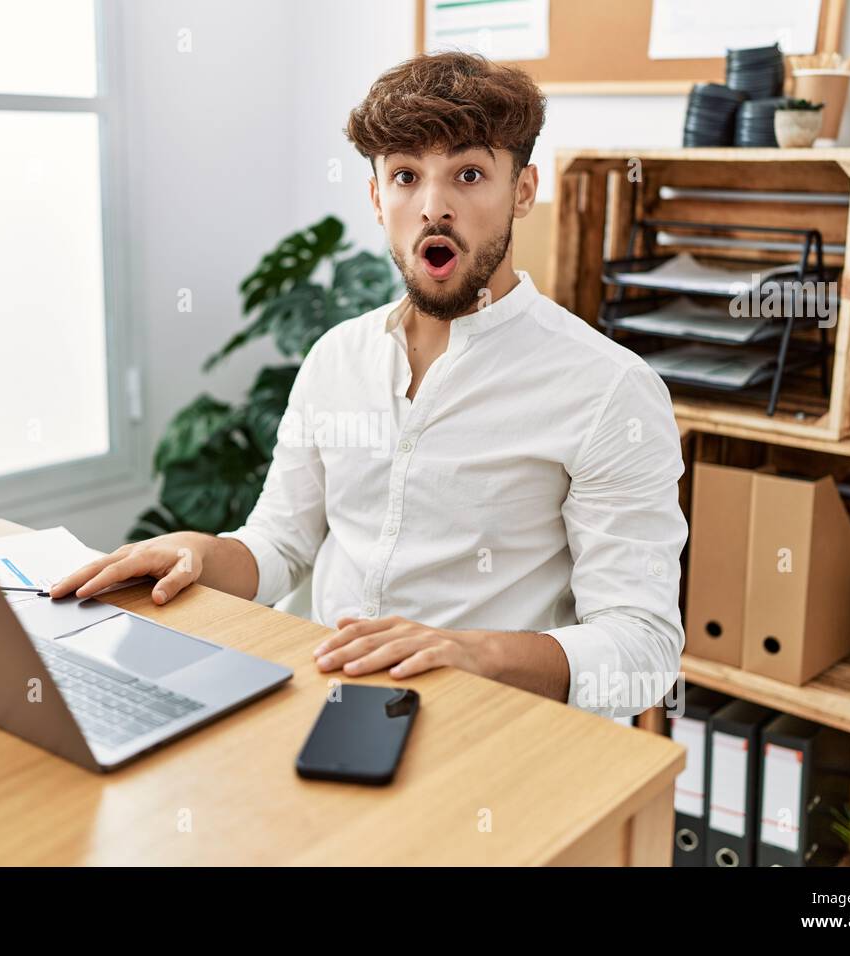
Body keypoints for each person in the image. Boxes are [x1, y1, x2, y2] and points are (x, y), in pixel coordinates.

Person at [52, 51, 687, 718]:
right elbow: (279, 545)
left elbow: (643, 650)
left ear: (522, 190)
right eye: (406, 176)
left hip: (493, 729)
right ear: (377, 196)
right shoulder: (336, 358)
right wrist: (196, 554)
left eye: (468, 174)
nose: (433, 209)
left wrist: (469, 654)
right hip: (325, 698)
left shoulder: (609, 388)